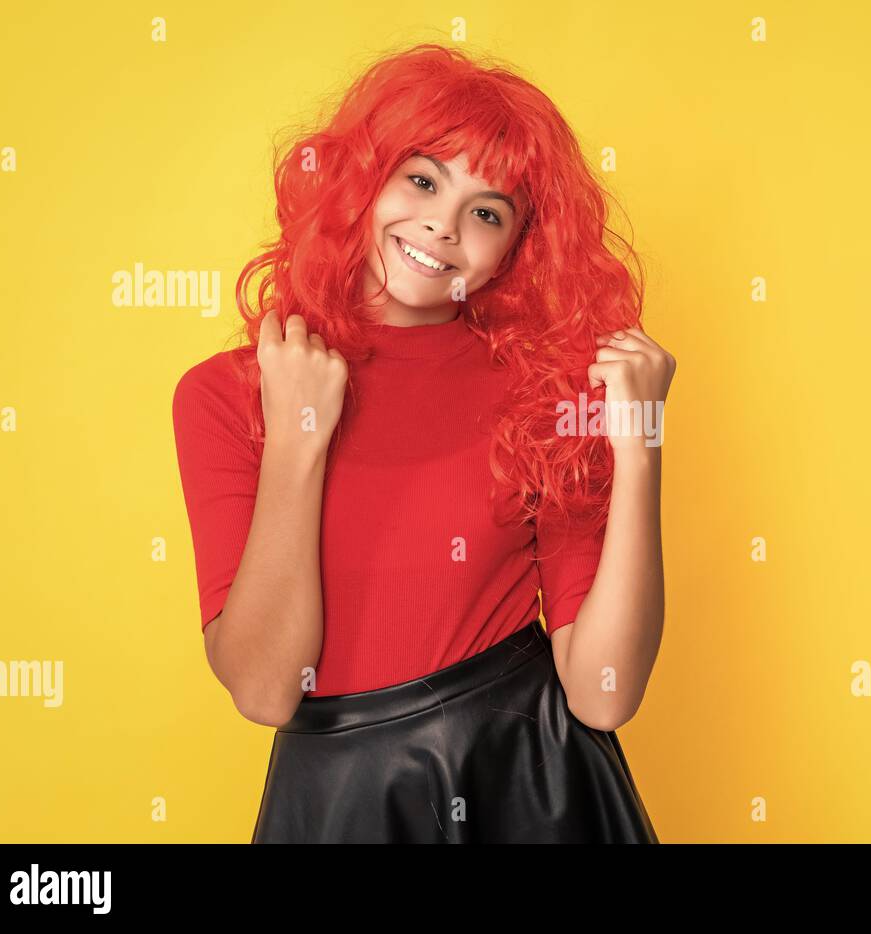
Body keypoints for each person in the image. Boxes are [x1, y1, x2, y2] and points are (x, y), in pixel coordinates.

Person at [171, 43, 675, 843]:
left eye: (487, 211)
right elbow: (266, 691)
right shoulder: (227, 394)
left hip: (538, 790)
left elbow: (604, 695)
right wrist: (300, 437)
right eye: (422, 178)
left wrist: (639, 442)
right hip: (338, 805)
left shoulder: (547, 389)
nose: (443, 224)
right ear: (362, 177)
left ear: (516, 249)